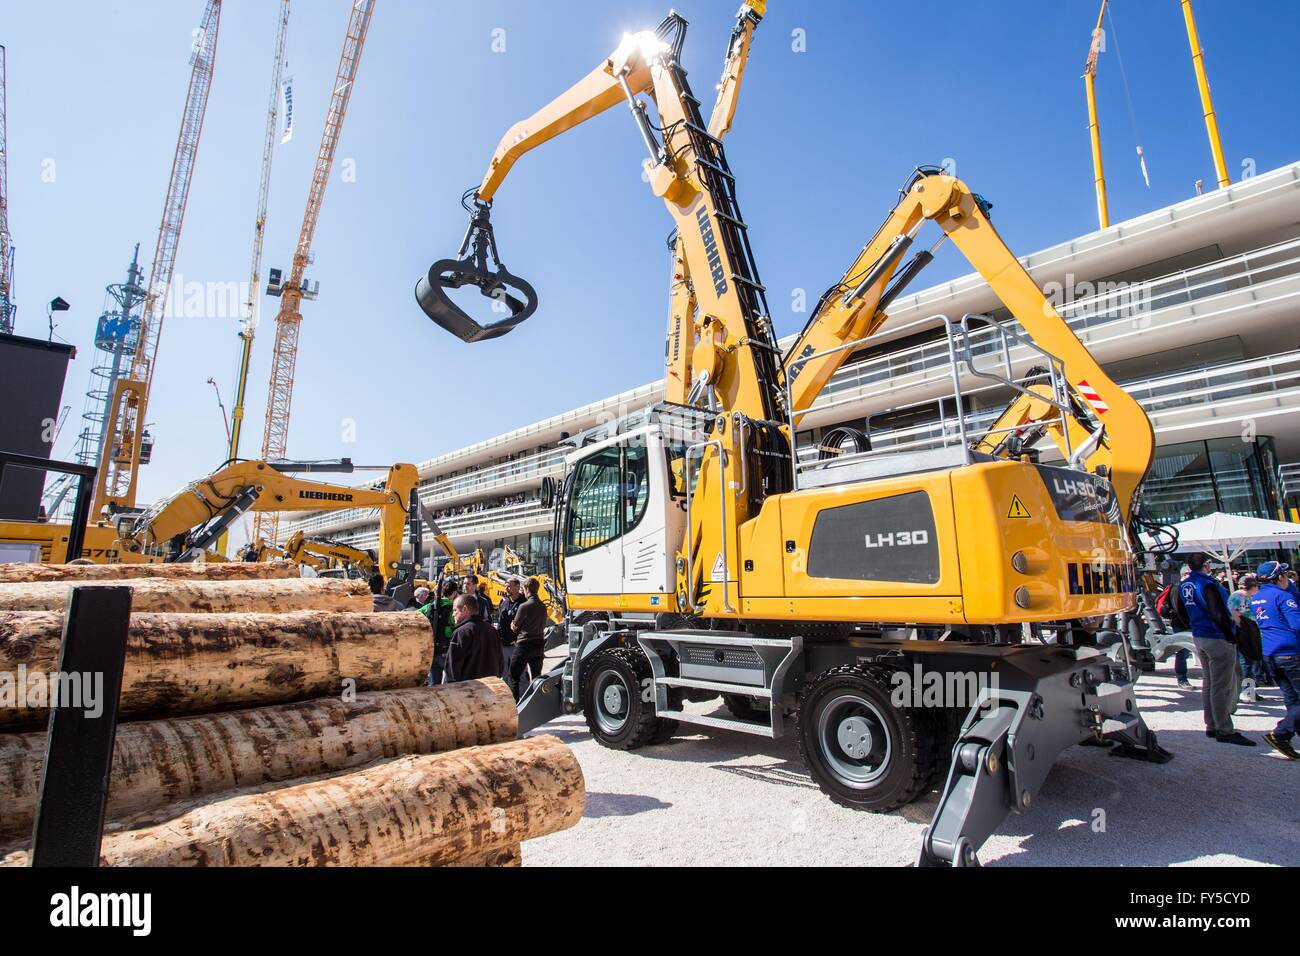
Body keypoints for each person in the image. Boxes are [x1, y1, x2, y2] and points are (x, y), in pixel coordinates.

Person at [1170, 553, 1253, 746]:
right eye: (1210, 564)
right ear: (1206, 565)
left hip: (1200, 636)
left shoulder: (1184, 585)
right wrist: (1230, 636)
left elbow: (1180, 610)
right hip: (1216, 637)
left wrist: (1194, 626)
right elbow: (1218, 613)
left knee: (1209, 683)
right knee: (1221, 685)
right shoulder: (1208, 584)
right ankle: (1224, 728)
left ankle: (1211, 724)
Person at [1250, 561, 1300, 759]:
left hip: (1270, 653)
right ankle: (1281, 733)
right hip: (1290, 651)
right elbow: (1297, 623)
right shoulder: (1283, 595)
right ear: (1280, 576)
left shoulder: (1257, 597)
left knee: (1291, 698)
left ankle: (1286, 734)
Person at [446, 593, 504, 682]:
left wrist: (451, 687)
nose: (453, 614)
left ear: (464, 609)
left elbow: (452, 667)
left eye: (455, 610)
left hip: (467, 690)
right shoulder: (492, 630)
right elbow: (500, 662)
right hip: (490, 688)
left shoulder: (461, 633)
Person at [509, 577, 549, 699]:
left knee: (513, 676)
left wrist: (512, 624)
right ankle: (536, 703)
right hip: (539, 644)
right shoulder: (543, 606)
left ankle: (515, 705)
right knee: (537, 678)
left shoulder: (524, 606)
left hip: (524, 645)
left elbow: (515, 627)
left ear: (526, 589)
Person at [1228, 575, 1265, 703]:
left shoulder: (1241, 597)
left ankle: (1250, 690)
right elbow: (1236, 615)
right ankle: (1246, 691)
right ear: (1253, 586)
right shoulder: (1239, 598)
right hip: (1244, 632)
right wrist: (1244, 629)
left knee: (1249, 661)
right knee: (1246, 662)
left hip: (1247, 631)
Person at [426, 579, 458, 685]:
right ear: (454, 593)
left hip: (432, 650)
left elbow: (417, 613)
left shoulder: (431, 606)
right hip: (446, 651)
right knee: (452, 684)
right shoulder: (455, 609)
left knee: (434, 685)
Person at [497, 576, 524, 682]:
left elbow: (527, 624)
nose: (506, 589)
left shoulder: (523, 603)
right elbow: (500, 622)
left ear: (517, 587)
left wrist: (518, 640)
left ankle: (522, 696)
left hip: (516, 646)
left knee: (519, 674)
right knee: (504, 675)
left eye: (509, 586)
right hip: (503, 644)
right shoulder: (504, 603)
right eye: (506, 586)